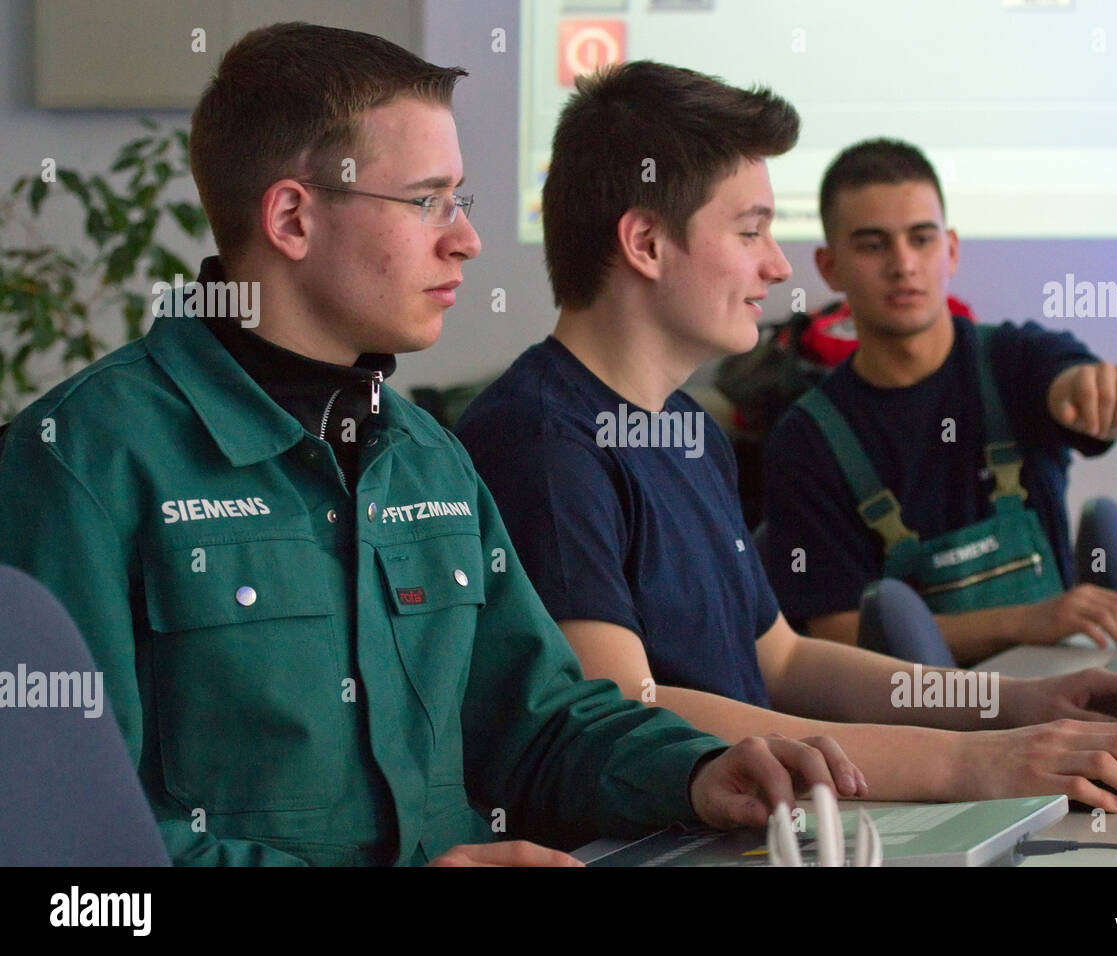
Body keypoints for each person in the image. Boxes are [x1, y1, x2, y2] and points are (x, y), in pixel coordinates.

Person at [0, 23, 866, 867]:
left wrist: (696, 771)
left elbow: (538, 723)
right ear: (293, 219)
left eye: (462, 201)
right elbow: (75, 852)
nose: (466, 238)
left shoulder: (423, 453)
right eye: (427, 201)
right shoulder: (79, 464)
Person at [455, 61, 1117, 813]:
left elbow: (786, 658)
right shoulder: (543, 444)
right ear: (644, 243)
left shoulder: (689, 432)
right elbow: (626, 705)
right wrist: (974, 763)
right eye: (751, 231)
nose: (776, 265)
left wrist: (1016, 703)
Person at [762, 138, 1117, 665]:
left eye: (922, 239)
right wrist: (1025, 622)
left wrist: (1094, 392)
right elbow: (836, 634)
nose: (904, 265)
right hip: (931, 730)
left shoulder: (1014, 360)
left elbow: (1070, 386)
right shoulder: (806, 440)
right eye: (873, 245)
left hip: (1068, 694)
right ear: (829, 267)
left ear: (952, 250)